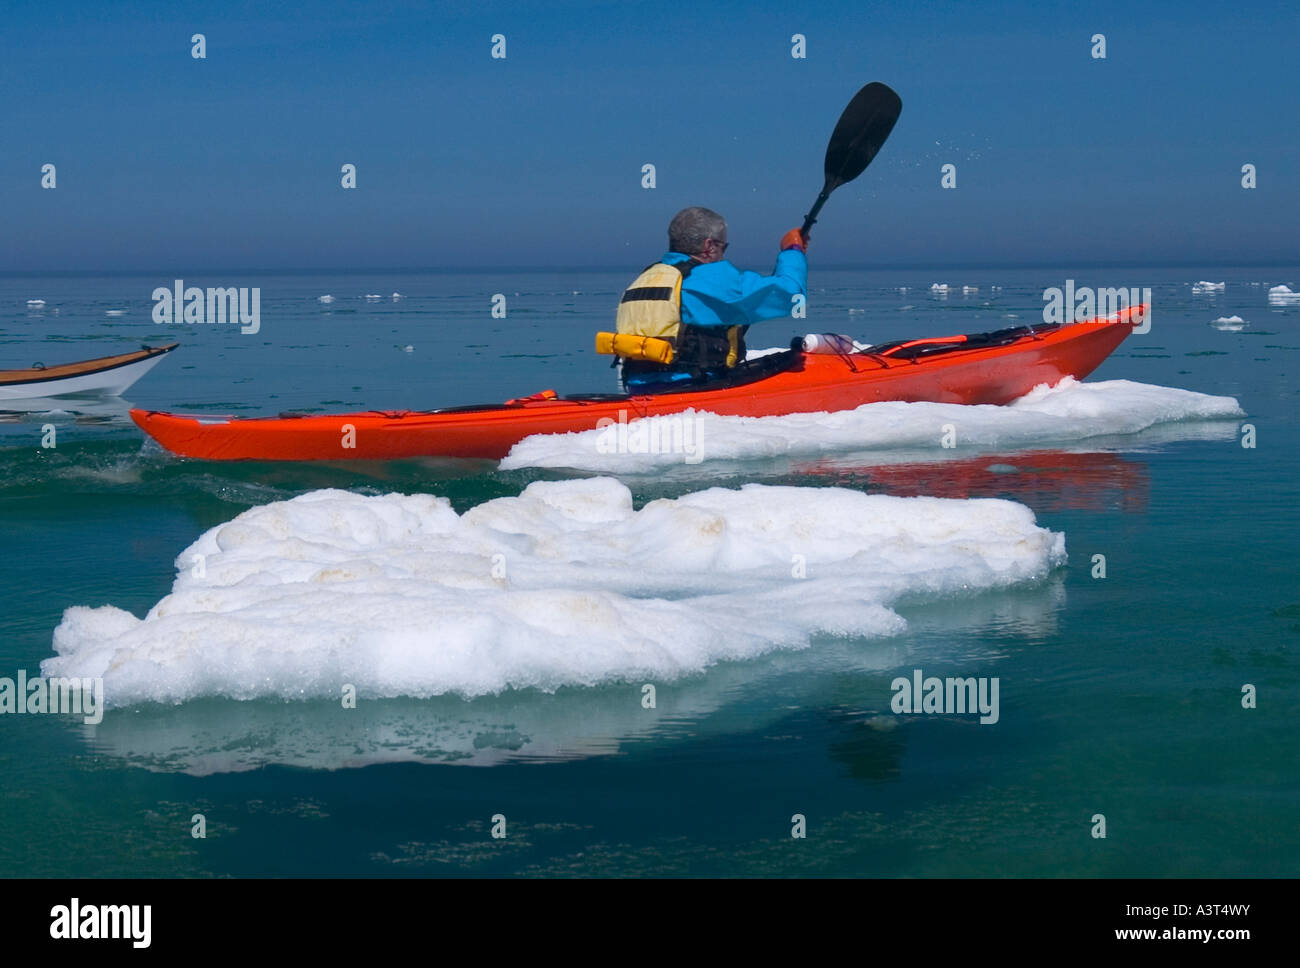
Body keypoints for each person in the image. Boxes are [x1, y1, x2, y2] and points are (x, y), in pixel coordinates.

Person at [612, 206, 808, 389]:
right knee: (798, 360)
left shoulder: (646, 278)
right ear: (710, 246)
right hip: (691, 388)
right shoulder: (709, 280)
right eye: (724, 247)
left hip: (638, 386)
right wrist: (792, 251)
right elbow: (791, 295)